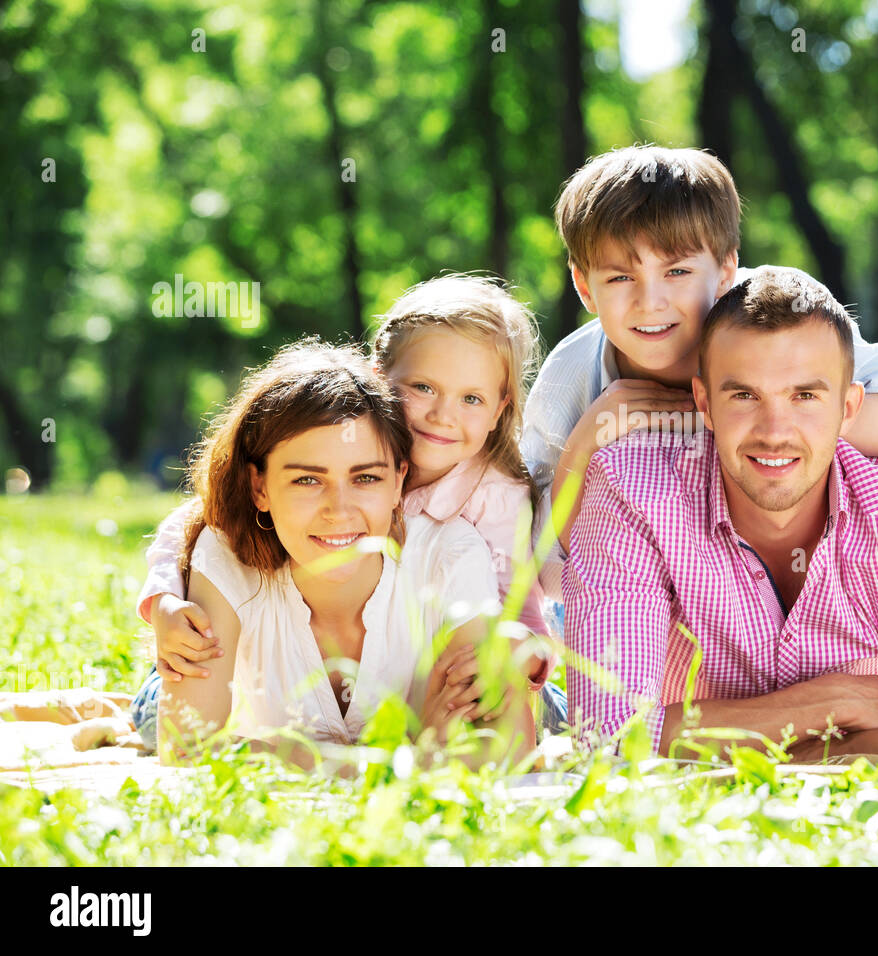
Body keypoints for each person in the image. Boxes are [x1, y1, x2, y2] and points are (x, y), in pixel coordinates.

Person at [522, 144, 878, 697]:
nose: (650, 302)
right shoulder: (573, 377)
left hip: (824, 532)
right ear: (585, 286)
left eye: (679, 270)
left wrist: (736, 414)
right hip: (683, 574)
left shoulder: (780, 315)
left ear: (727, 267)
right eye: (620, 279)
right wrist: (588, 439)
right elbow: (548, 570)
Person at [562, 267, 878, 760]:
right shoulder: (631, 490)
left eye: (804, 396)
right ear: (704, 404)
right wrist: (834, 703)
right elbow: (607, 737)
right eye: (744, 395)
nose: (775, 431)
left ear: (848, 408)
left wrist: (733, 758)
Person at [133, 276, 566, 744]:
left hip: (469, 651)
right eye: (422, 387)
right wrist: (162, 600)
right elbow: (202, 521)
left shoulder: (492, 494)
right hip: (283, 666)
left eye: (471, 398)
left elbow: (517, 605)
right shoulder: (335, 427)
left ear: (500, 408)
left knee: (555, 717)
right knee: (155, 715)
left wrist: (520, 653)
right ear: (379, 376)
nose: (443, 415)